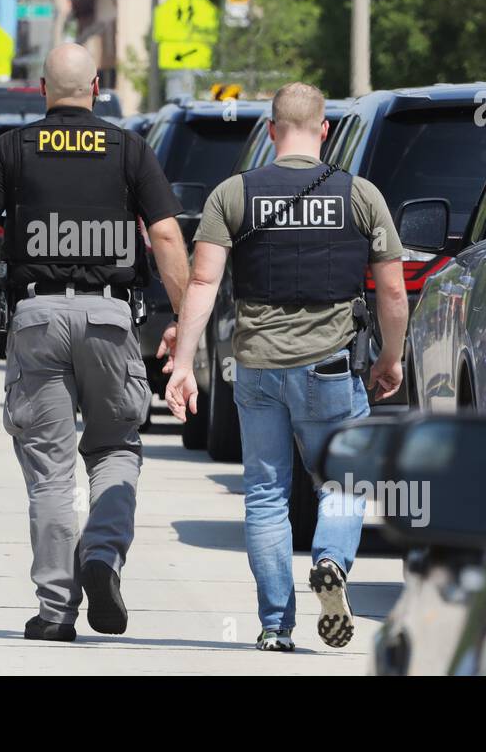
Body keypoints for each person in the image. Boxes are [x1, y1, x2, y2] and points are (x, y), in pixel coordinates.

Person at [0, 43, 190, 642]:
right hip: (109, 320)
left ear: (43, 89)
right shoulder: (129, 149)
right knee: (114, 448)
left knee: (50, 470)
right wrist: (185, 322)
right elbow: (167, 238)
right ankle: (100, 556)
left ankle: (55, 612)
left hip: (37, 320)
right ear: (97, 87)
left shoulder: (11, 150)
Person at [164, 82, 409, 653]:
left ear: (272, 131)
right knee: (342, 481)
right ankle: (330, 561)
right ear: (325, 130)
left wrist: (181, 364)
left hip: (256, 368)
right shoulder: (360, 195)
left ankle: (277, 624)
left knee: (267, 493)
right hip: (331, 368)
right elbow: (393, 292)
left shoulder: (233, 194)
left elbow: (203, 283)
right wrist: (392, 358)